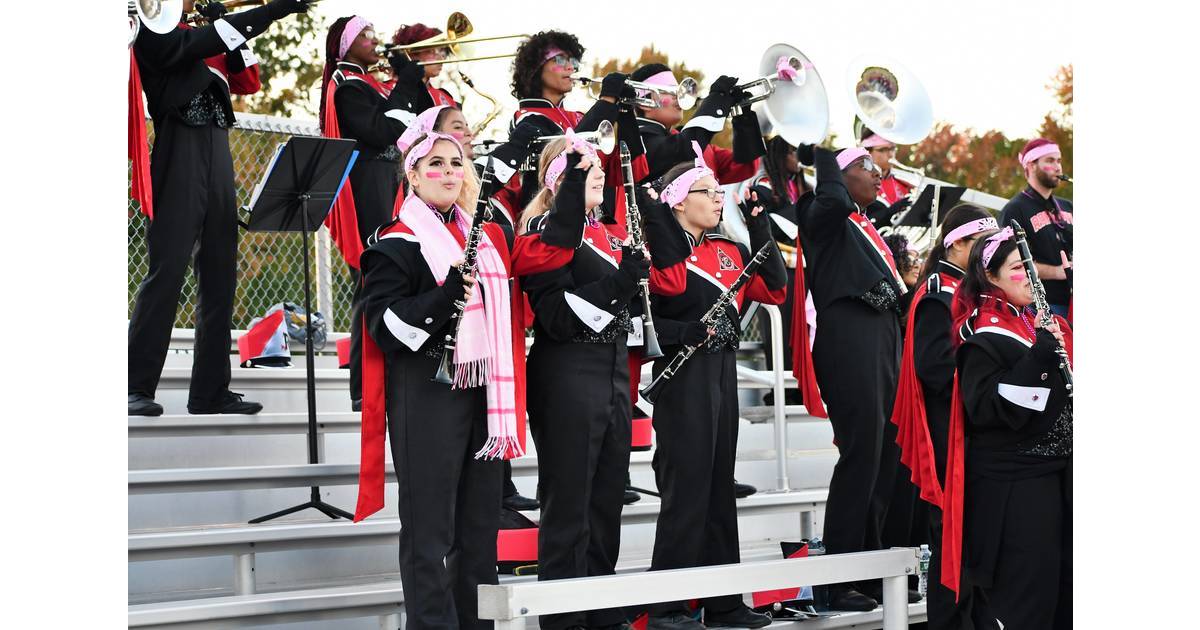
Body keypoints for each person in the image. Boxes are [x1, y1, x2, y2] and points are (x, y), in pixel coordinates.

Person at [354, 131, 525, 630]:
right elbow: (383, 327)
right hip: (426, 393)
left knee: (478, 529)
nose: (450, 172)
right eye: (436, 164)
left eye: (456, 163)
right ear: (412, 175)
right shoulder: (395, 244)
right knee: (429, 530)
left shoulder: (482, 234)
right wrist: (444, 294)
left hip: (481, 393)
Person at [128, 0, 311, 417]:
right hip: (179, 144)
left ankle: (210, 391)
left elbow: (247, 79)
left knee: (220, 272)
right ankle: (133, 384)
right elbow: (204, 41)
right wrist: (271, 11)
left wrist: (224, 22)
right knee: (168, 269)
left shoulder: (200, 34)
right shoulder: (155, 31)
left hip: (216, 146)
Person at [642, 143, 786, 630]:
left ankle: (722, 601)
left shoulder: (732, 249)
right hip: (683, 379)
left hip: (721, 373)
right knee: (687, 488)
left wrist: (760, 221)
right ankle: (667, 605)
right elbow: (664, 301)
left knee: (719, 487)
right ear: (679, 199)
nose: (718, 198)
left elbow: (776, 286)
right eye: (708, 191)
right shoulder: (664, 250)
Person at [509, 132, 649, 630]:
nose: (599, 177)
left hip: (610, 369)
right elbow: (560, 316)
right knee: (568, 502)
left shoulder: (605, 233)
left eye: (597, 170)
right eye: (585, 171)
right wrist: (620, 284)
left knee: (606, 498)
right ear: (558, 180)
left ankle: (600, 606)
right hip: (566, 370)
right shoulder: (544, 229)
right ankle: (563, 619)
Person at [788, 146, 912, 610]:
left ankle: (872, 568)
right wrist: (821, 154)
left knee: (886, 457)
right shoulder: (822, 213)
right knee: (861, 456)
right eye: (866, 167)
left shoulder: (863, 223)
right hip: (849, 340)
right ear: (838, 176)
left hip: (881, 339)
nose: (879, 175)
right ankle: (837, 579)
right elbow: (833, 200)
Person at [940, 226, 1073, 629]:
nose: (1030, 278)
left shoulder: (1029, 321)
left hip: (1053, 479)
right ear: (991, 277)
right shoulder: (983, 334)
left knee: (1061, 594)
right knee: (1027, 598)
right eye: (1018, 268)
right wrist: (1040, 360)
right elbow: (988, 408)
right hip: (1015, 490)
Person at [320, 15, 435, 410]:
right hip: (368, 186)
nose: (374, 40)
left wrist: (413, 81)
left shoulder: (373, 83)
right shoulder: (347, 86)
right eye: (364, 36)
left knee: (393, 281)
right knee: (372, 282)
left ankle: (385, 374)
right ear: (344, 46)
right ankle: (362, 385)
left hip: (392, 184)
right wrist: (403, 85)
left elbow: (420, 121)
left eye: (373, 34)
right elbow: (382, 131)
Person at [890, 204, 996, 629]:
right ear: (959, 245)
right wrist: (991, 383)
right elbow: (935, 369)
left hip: (971, 430)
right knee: (953, 543)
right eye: (983, 246)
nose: (991, 254)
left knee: (975, 543)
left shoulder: (968, 288)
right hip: (948, 434)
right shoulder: (938, 292)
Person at [486, 30, 647, 225]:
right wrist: (606, 101)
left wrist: (625, 110)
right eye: (561, 60)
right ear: (536, 67)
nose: (571, 67)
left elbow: (629, 170)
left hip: (593, 223)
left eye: (573, 62)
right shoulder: (527, 118)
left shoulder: (580, 117)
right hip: (551, 223)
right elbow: (565, 160)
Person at [629, 63, 763, 184]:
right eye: (667, 91)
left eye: (678, 91)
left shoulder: (689, 140)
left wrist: (743, 118)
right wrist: (716, 101)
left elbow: (744, 166)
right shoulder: (637, 143)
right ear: (644, 103)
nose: (678, 97)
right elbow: (683, 151)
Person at [998, 138, 1072, 317]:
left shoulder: (1068, 206)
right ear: (1031, 166)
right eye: (1050, 161)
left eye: (1059, 161)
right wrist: (1056, 271)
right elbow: (1008, 263)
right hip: (1044, 307)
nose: (1058, 167)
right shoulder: (1014, 210)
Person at [390, 23, 458, 106]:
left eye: (443, 53)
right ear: (411, 53)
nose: (441, 59)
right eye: (433, 51)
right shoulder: (388, 90)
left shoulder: (446, 98)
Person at [859, 128, 915, 229]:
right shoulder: (859, 185)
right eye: (883, 150)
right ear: (868, 153)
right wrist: (890, 212)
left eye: (893, 148)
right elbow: (860, 224)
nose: (890, 154)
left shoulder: (905, 184)